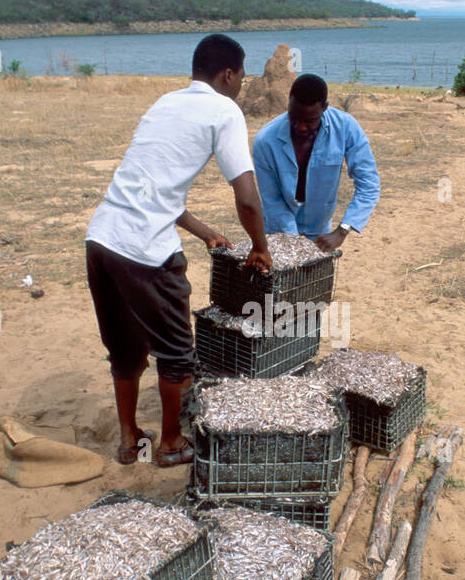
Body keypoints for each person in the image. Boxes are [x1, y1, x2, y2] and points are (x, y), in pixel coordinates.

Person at [85, 34, 271, 467]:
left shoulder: (165, 103)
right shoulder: (225, 110)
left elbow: (155, 190)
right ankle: (170, 443)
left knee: (126, 349)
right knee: (177, 354)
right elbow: (246, 196)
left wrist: (205, 232)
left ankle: (130, 439)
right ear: (229, 74)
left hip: (103, 239)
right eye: (241, 77)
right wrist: (260, 248)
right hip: (146, 252)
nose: (241, 85)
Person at [251, 74, 380, 251]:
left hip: (320, 234)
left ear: (325, 108)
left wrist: (342, 231)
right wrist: (295, 244)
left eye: (309, 121)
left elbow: (369, 184)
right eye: (294, 117)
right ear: (288, 103)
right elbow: (272, 199)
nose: (300, 127)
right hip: (277, 233)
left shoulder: (346, 127)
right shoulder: (265, 141)